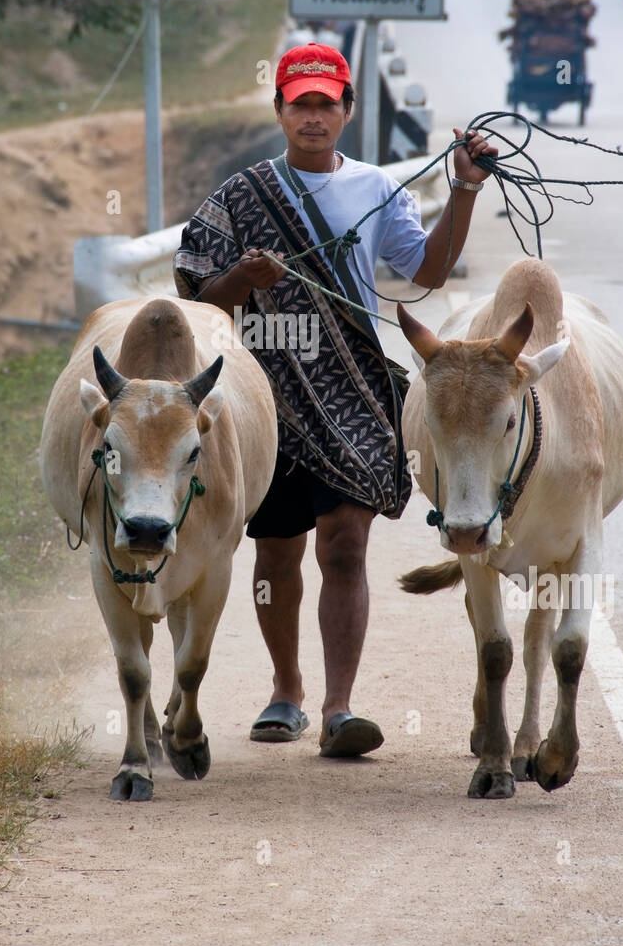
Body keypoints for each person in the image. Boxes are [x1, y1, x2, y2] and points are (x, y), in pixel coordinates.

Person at [173, 43, 496, 757]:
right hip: (262, 395)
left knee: (344, 545)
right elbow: (195, 293)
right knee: (278, 554)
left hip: (349, 387)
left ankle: (338, 709)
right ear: (280, 111)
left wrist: (466, 189)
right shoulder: (239, 195)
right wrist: (242, 280)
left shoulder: (378, 189)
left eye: (325, 104)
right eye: (300, 104)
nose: (312, 117)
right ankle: (284, 690)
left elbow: (428, 270)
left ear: (347, 111)